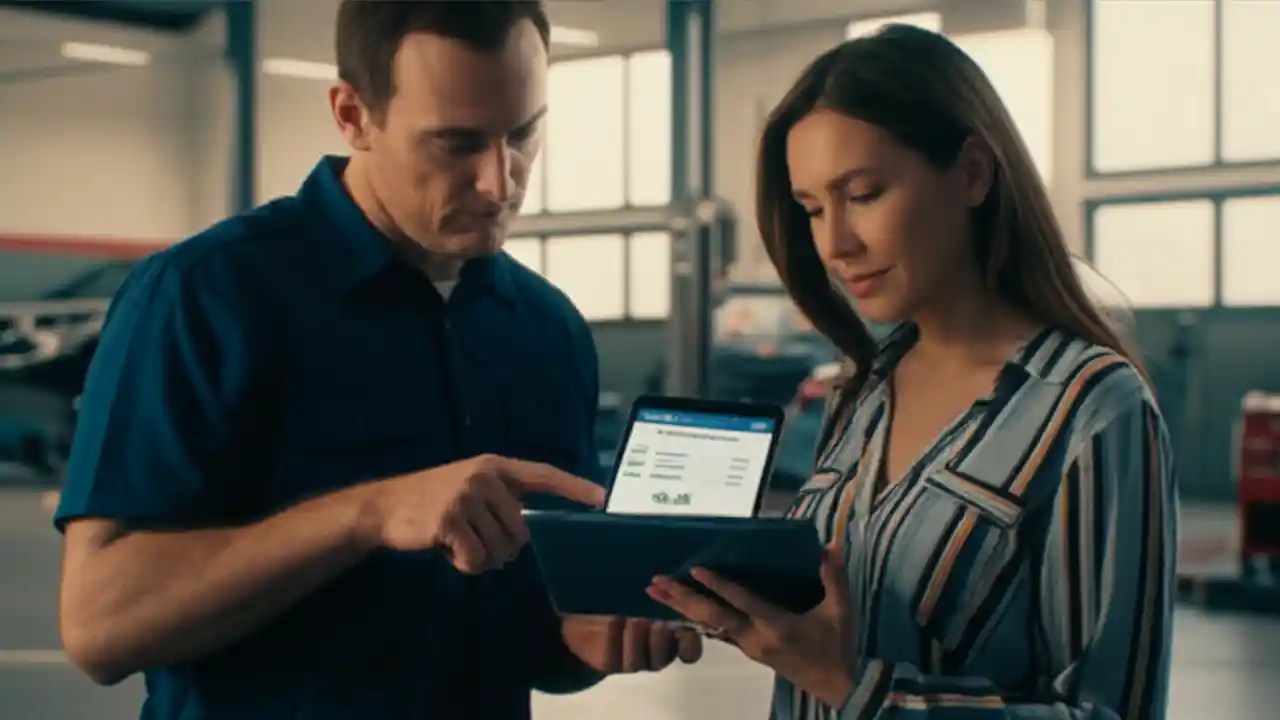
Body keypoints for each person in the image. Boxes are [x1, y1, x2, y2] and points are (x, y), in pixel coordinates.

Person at [54, 2, 700, 717]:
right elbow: (101, 627)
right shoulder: (203, 296)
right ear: (353, 114)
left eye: (523, 133)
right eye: (455, 143)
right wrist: (370, 512)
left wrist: (584, 644)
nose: (500, 180)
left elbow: (535, 640)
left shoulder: (548, 330)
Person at [648, 24, 1176, 719]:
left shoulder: (1093, 411)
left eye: (863, 193)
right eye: (811, 209)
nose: (835, 243)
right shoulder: (861, 395)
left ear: (973, 173)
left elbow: (1112, 711)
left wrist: (855, 688)